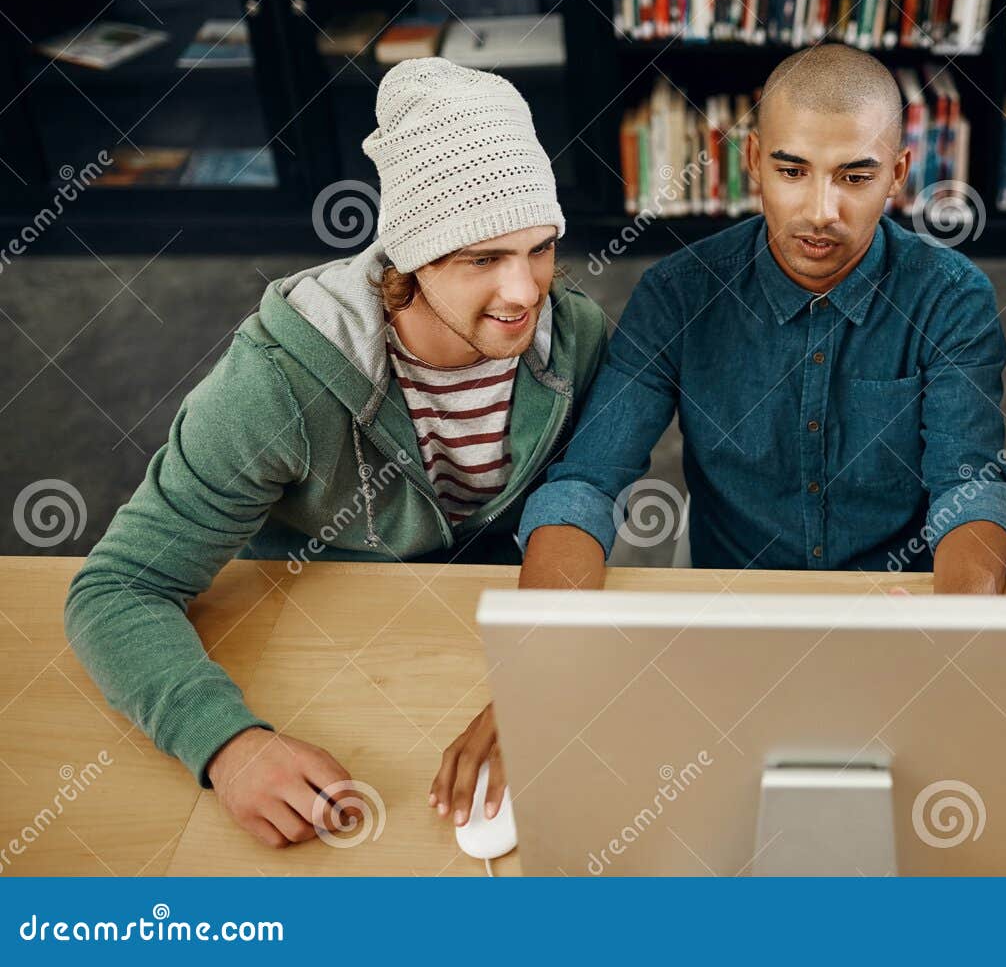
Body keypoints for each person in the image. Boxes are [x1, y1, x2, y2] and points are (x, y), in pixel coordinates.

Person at [430, 43, 1006, 826]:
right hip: (730, 613)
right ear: (751, 162)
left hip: (902, 606)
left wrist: (951, 651)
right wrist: (528, 679)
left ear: (901, 171)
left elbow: (969, 487)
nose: (821, 211)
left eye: (856, 175)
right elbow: (583, 485)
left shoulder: (952, 298)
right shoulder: (678, 294)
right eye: (792, 170)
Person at [64, 59, 607, 847]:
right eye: (481, 259)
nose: (526, 291)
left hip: (488, 641)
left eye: (540, 248)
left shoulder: (578, 337)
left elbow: (579, 497)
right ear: (412, 258)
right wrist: (227, 745)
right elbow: (115, 590)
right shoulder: (276, 381)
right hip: (314, 641)